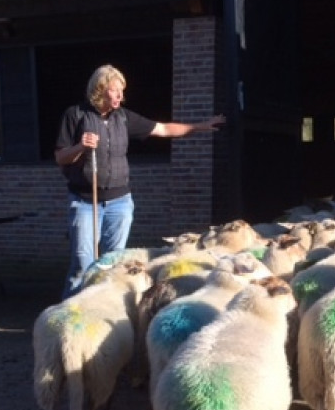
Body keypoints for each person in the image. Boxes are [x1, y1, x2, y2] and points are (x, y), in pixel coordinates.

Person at [54, 64, 225, 297]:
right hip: (86, 202)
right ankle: (70, 313)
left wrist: (200, 126)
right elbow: (61, 158)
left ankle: (105, 308)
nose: (120, 96)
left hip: (119, 202)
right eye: (115, 91)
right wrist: (81, 146)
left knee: (113, 264)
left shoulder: (124, 118)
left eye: (122, 91)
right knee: (83, 265)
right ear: (100, 89)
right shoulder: (76, 115)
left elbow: (163, 129)